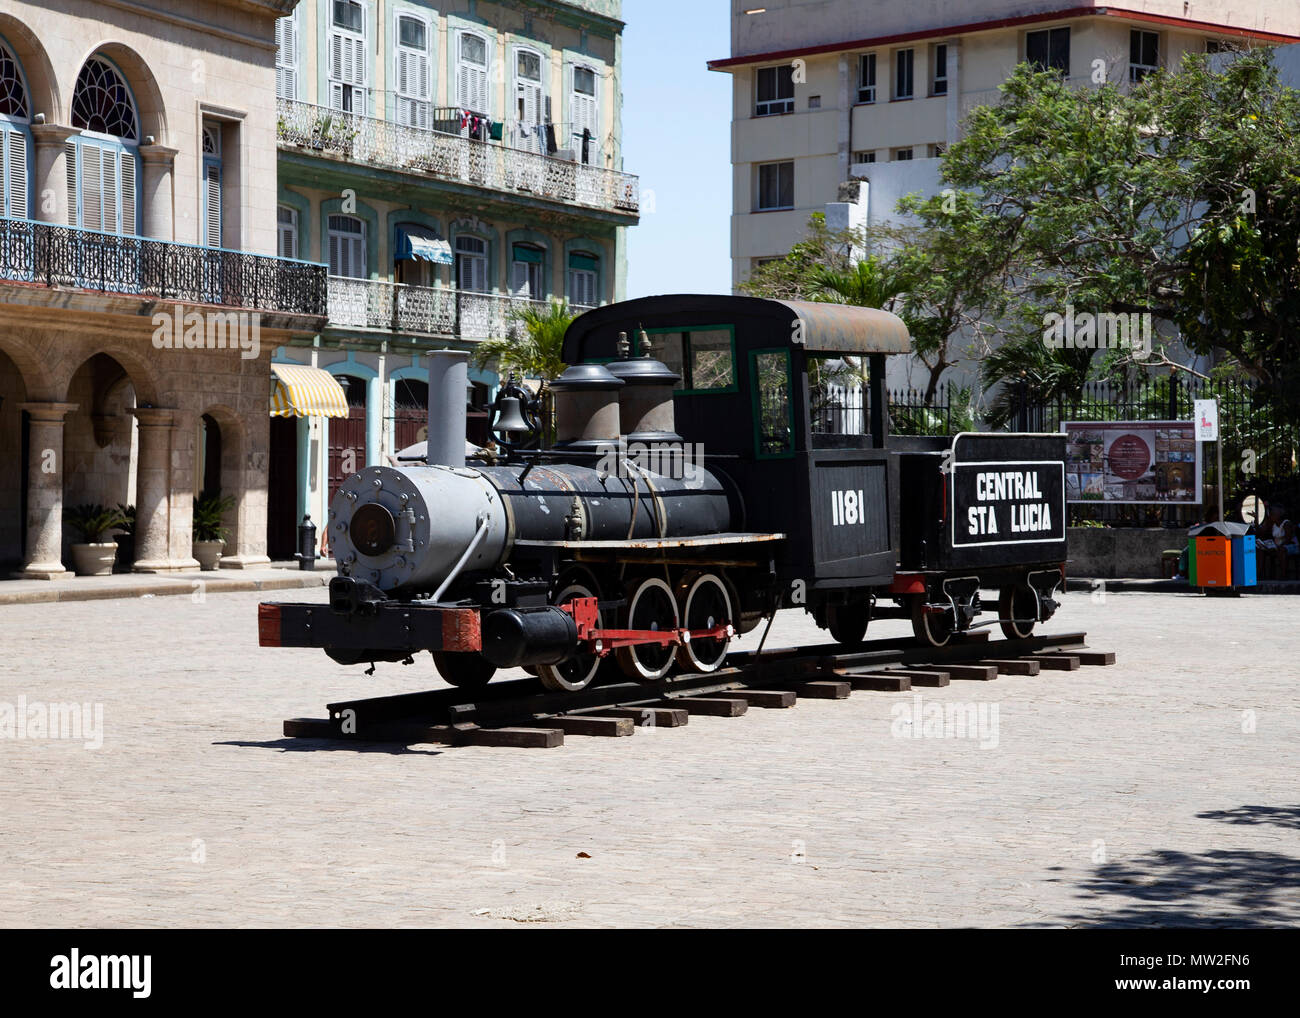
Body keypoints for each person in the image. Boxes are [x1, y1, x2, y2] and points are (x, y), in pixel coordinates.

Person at [1255, 503, 1298, 579]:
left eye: (1273, 513)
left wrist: (1277, 547)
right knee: (1260, 549)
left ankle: (1284, 575)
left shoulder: (1286, 523)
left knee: (1282, 550)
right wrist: (1256, 520)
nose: (1271, 515)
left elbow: (1288, 539)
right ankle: (1259, 574)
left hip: (1290, 546)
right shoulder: (1272, 523)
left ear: (1279, 513)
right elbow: (1261, 531)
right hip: (1277, 546)